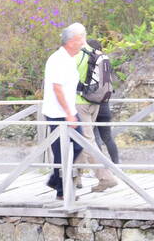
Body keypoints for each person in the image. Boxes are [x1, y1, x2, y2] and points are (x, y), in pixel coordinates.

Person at [43, 23, 87, 198]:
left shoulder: (69, 59)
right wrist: (69, 112)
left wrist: (71, 111)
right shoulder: (58, 59)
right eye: (80, 39)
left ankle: (56, 180)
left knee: (77, 145)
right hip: (58, 113)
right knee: (62, 151)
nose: (83, 43)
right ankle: (62, 190)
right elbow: (57, 88)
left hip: (68, 111)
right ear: (70, 41)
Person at [79, 37, 120, 190]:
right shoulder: (104, 62)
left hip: (92, 106)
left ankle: (102, 170)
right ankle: (116, 165)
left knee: (93, 141)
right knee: (108, 138)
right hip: (105, 106)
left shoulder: (88, 62)